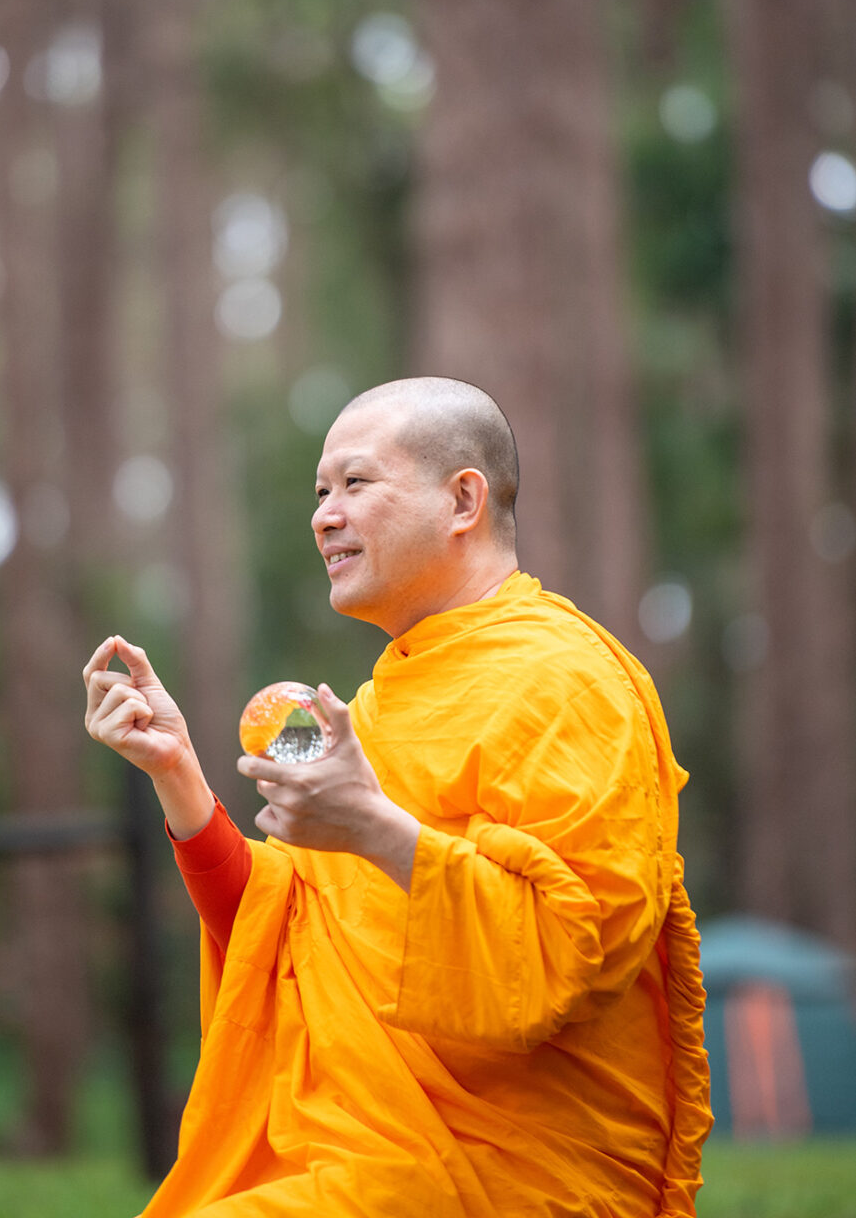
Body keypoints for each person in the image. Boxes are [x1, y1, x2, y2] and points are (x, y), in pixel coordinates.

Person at [84, 377, 712, 1217]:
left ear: (462, 500)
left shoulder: (565, 682)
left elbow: (574, 953)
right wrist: (178, 773)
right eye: (318, 492)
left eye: (355, 483)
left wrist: (377, 829)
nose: (323, 515)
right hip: (353, 1151)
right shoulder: (378, 710)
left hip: (511, 1173)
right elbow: (286, 941)